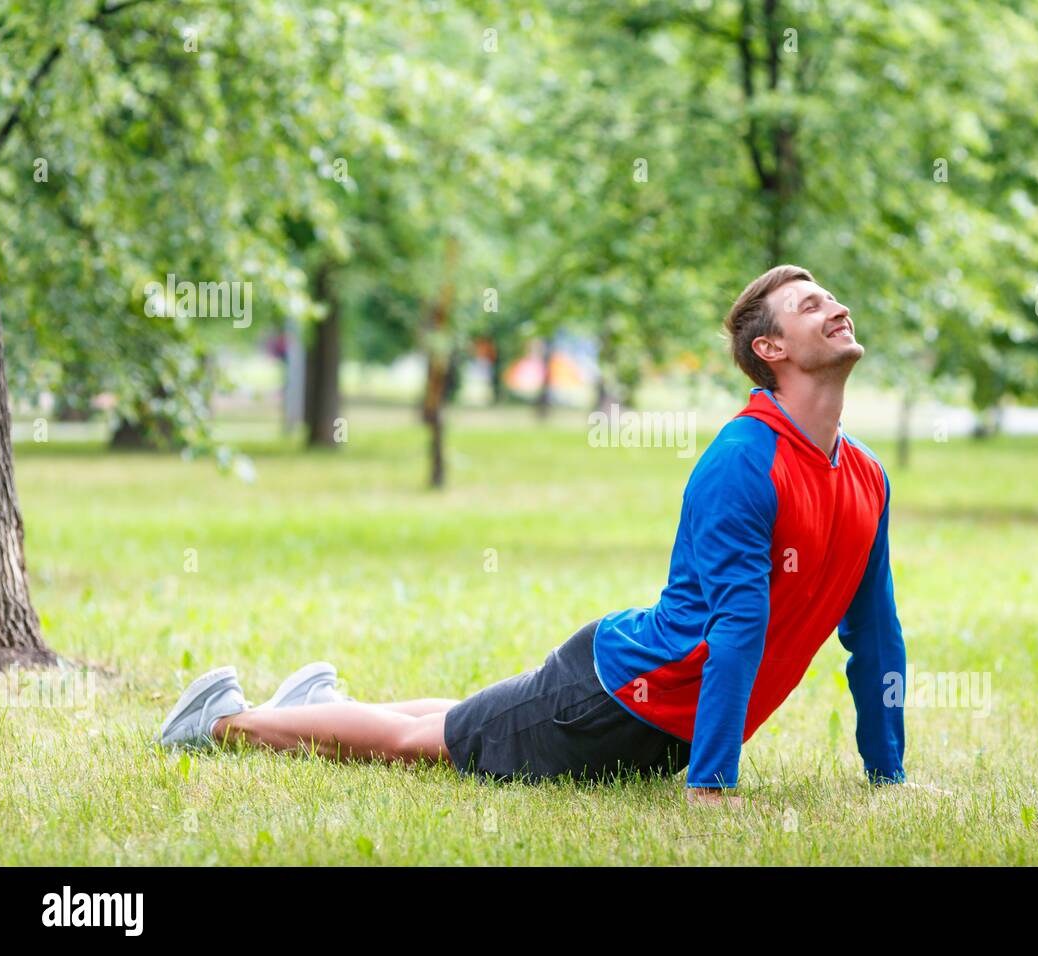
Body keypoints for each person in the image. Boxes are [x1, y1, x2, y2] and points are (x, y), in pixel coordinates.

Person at [159, 264, 907, 808]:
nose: (836, 307)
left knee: (476, 719)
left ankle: (316, 702)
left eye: (832, 297)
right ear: (771, 351)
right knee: (430, 747)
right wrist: (712, 786)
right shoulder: (746, 460)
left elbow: (875, 635)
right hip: (618, 696)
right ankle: (225, 722)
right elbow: (738, 626)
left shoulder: (865, 476)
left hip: (662, 716)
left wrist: (887, 774)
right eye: (812, 305)